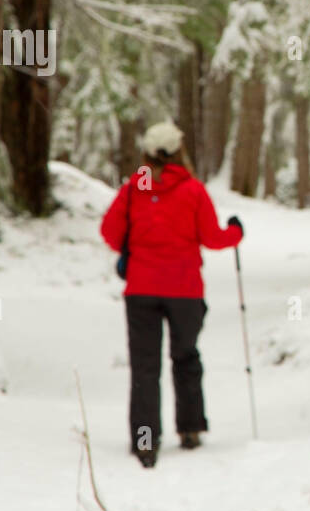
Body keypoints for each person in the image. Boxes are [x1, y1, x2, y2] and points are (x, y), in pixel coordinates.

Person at [100, 121, 243, 468]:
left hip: (142, 289)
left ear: (148, 153)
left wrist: (133, 251)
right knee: (186, 357)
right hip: (185, 291)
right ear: (179, 151)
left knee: (145, 369)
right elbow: (212, 237)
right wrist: (235, 233)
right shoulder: (192, 190)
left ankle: (146, 444)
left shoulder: (136, 188)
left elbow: (109, 230)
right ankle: (191, 430)